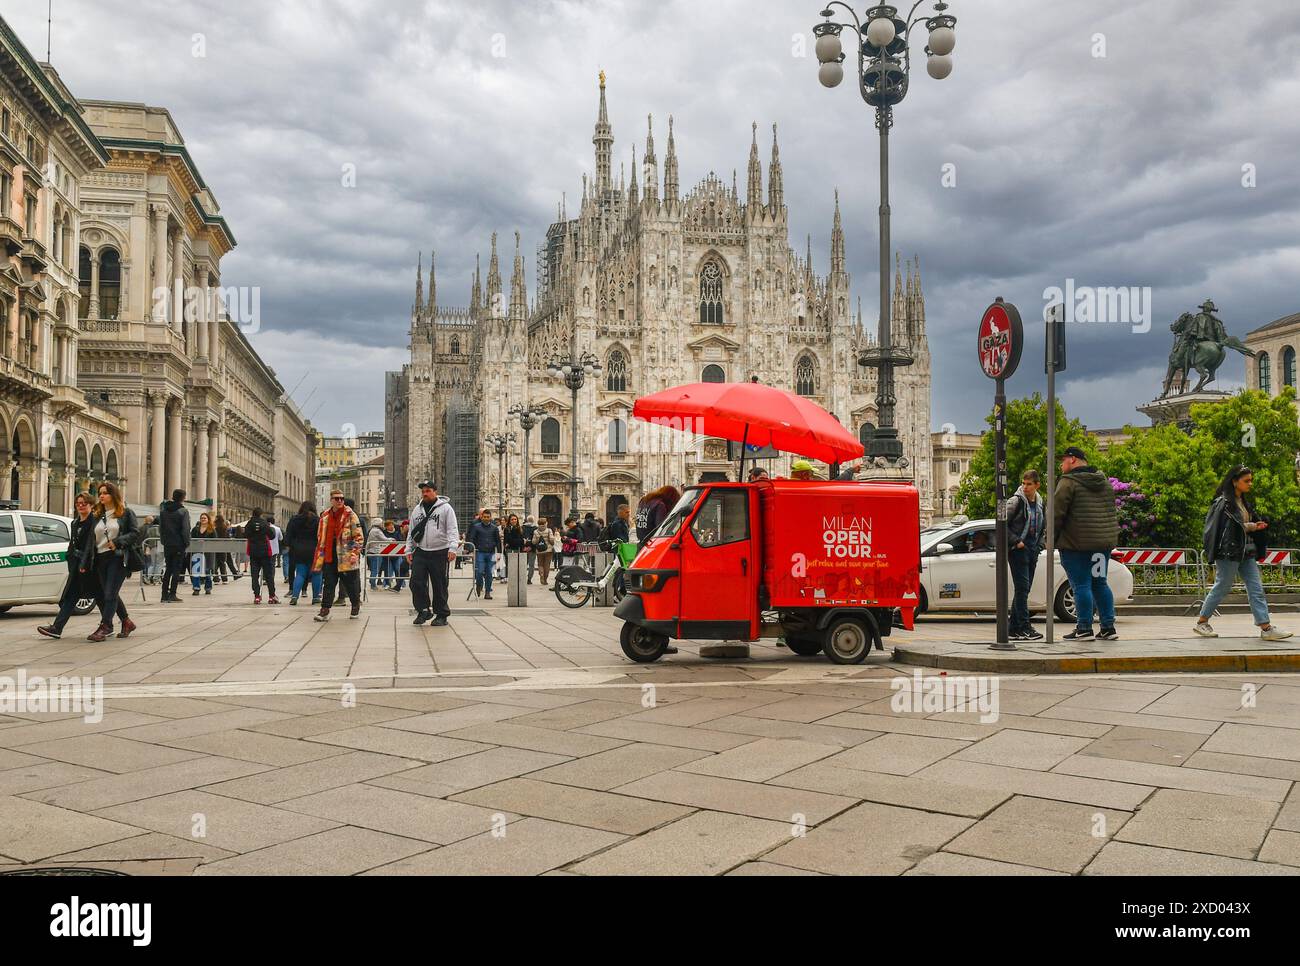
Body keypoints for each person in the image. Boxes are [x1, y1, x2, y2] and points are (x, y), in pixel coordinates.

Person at [1195, 465, 1293, 641]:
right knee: (1222, 586)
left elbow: (1242, 525)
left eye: (1251, 480)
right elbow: (1227, 528)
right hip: (1228, 553)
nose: (1250, 484)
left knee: (1256, 588)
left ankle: (1266, 627)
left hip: (1246, 552)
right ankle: (1202, 622)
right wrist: (1253, 526)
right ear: (1234, 481)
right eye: (1246, 481)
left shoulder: (1243, 502)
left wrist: (1257, 525)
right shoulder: (1223, 503)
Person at [37, 492, 134, 640]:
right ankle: (58, 627)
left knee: (107, 594)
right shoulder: (75, 522)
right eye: (78, 503)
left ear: (91, 505)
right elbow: (73, 543)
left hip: (93, 563)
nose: (81, 506)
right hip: (79, 563)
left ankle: (114, 624)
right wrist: (70, 558)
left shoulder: (94, 521)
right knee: (78, 594)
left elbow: (93, 544)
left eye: (84, 503)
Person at [1053, 446, 1118, 642]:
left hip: (1076, 545)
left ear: (1072, 460)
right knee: (1100, 583)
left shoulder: (1068, 483)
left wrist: (1049, 539)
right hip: (1101, 545)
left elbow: (1056, 514)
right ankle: (1108, 627)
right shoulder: (1104, 482)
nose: (1060, 464)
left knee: (1081, 585)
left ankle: (1084, 628)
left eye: (1062, 460)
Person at [86, 482, 142, 642]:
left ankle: (106, 626)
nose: (101, 496)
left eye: (105, 493)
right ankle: (126, 622)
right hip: (100, 558)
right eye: (100, 493)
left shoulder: (125, 513)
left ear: (113, 495)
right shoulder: (97, 515)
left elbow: (135, 533)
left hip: (117, 557)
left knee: (110, 593)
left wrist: (118, 542)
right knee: (110, 593)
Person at [406, 480, 458, 626]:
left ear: (435, 492)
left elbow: (452, 529)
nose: (425, 494)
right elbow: (412, 530)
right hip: (421, 550)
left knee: (439, 584)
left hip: (440, 550)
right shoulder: (417, 509)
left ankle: (441, 614)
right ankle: (423, 610)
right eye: (423, 491)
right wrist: (408, 549)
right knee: (416, 582)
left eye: (428, 491)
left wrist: (453, 547)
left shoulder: (446, 508)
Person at [1005, 469, 1046, 641]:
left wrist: (1039, 545)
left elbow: (1043, 525)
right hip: (1018, 549)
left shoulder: (1039, 502)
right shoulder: (1015, 501)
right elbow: (1001, 524)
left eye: (1029, 484)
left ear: (1037, 485)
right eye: (1024, 483)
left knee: (1024, 589)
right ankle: (1023, 626)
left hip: (1032, 548)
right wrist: (1016, 541)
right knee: (1022, 589)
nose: (1025, 487)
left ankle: (1014, 628)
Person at [313, 489, 363, 621]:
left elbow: (358, 537)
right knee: (329, 584)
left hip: (346, 556)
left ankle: (355, 605)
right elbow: (320, 537)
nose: (340, 500)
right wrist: (320, 554)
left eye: (342, 498)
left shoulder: (350, 515)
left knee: (350, 584)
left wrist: (354, 553)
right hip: (330, 555)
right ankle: (325, 610)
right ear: (331, 500)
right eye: (337, 498)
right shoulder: (324, 516)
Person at [285, 501, 322, 606]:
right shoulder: (318, 520)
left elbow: (288, 536)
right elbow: (321, 536)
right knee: (316, 573)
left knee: (300, 573)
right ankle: (315, 597)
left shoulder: (294, 519)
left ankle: (294, 596)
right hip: (314, 549)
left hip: (298, 549)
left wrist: (292, 546)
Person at [158, 488, 191, 603]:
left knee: (168, 568)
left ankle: (163, 594)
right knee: (176, 569)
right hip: (179, 544)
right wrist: (187, 543)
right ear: (183, 498)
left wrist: (163, 541)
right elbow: (185, 529)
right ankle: (172, 594)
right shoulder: (183, 511)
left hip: (167, 543)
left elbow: (160, 528)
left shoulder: (163, 510)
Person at [466, 508, 503, 599]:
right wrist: (471, 548)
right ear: (481, 517)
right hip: (480, 552)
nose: (486, 518)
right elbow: (471, 538)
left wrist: (499, 553)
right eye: (485, 517)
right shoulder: (476, 526)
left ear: (490, 518)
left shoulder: (494, 528)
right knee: (479, 572)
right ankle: (479, 586)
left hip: (490, 553)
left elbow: (498, 541)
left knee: (489, 573)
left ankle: (487, 592)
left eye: (488, 517)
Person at [244, 508, 279, 604]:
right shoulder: (264, 523)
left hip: (253, 552)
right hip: (264, 552)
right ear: (261, 514)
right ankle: (272, 596)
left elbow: (245, 534)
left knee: (254, 576)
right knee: (269, 575)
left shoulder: (249, 523)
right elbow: (271, 535)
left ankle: (257, 596)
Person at [191, 512, 216, 595]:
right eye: (202, 518)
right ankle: (196, 588)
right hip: (197, 552)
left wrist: (206, 542)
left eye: (205, 518)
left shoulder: (212, 529)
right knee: (196, 570)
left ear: (208, 519)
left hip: (208, 553)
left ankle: (208, 588)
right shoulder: (195, 529)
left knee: (207, 570)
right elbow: (191, 539)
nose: (203, 519)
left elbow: (215, 541)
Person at [366, 518, 389, 589]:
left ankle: (371, 581)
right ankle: (373, 584)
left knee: (373, 568)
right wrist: (391, 539)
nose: (382, 525)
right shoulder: (377, 531)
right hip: (376, 552)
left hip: (370, 552)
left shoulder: (372, 530)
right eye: (381, 523)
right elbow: (384, 539)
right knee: (375, 569)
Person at [533, 516, 555, 585]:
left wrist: (537, 540)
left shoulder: (536, 531)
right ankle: (545, 579)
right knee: (547, 565)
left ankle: (541, 575)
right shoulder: (549, 530)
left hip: (539, 551)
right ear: (546, 523)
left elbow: (533, 542)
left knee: (540, 564)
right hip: (548, 550)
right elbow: (552, 540)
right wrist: (552, 542)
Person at [503, 514, 525, 579]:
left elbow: (521, 540)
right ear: (509, 520)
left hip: (517, 549)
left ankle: (515, 576)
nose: (514, 521)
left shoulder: (519, 528)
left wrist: (513, 542)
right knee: (508, 563)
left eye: (515, 519)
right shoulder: (507, 529)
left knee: (516, 563)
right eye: (512, 519)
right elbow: (507, 539)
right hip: (509, 549)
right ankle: (507, 576)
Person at [522, 515, 538, 584]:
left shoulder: (522, 527)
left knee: (523, 564)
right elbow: (536, 539)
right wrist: (531, 546)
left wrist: (525, 546)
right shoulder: (535, 528)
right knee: (531, 565)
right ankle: (529, 579)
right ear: (533, 521)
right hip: (532, 549)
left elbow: (521, 538)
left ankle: (522, 578)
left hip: (524, 548)